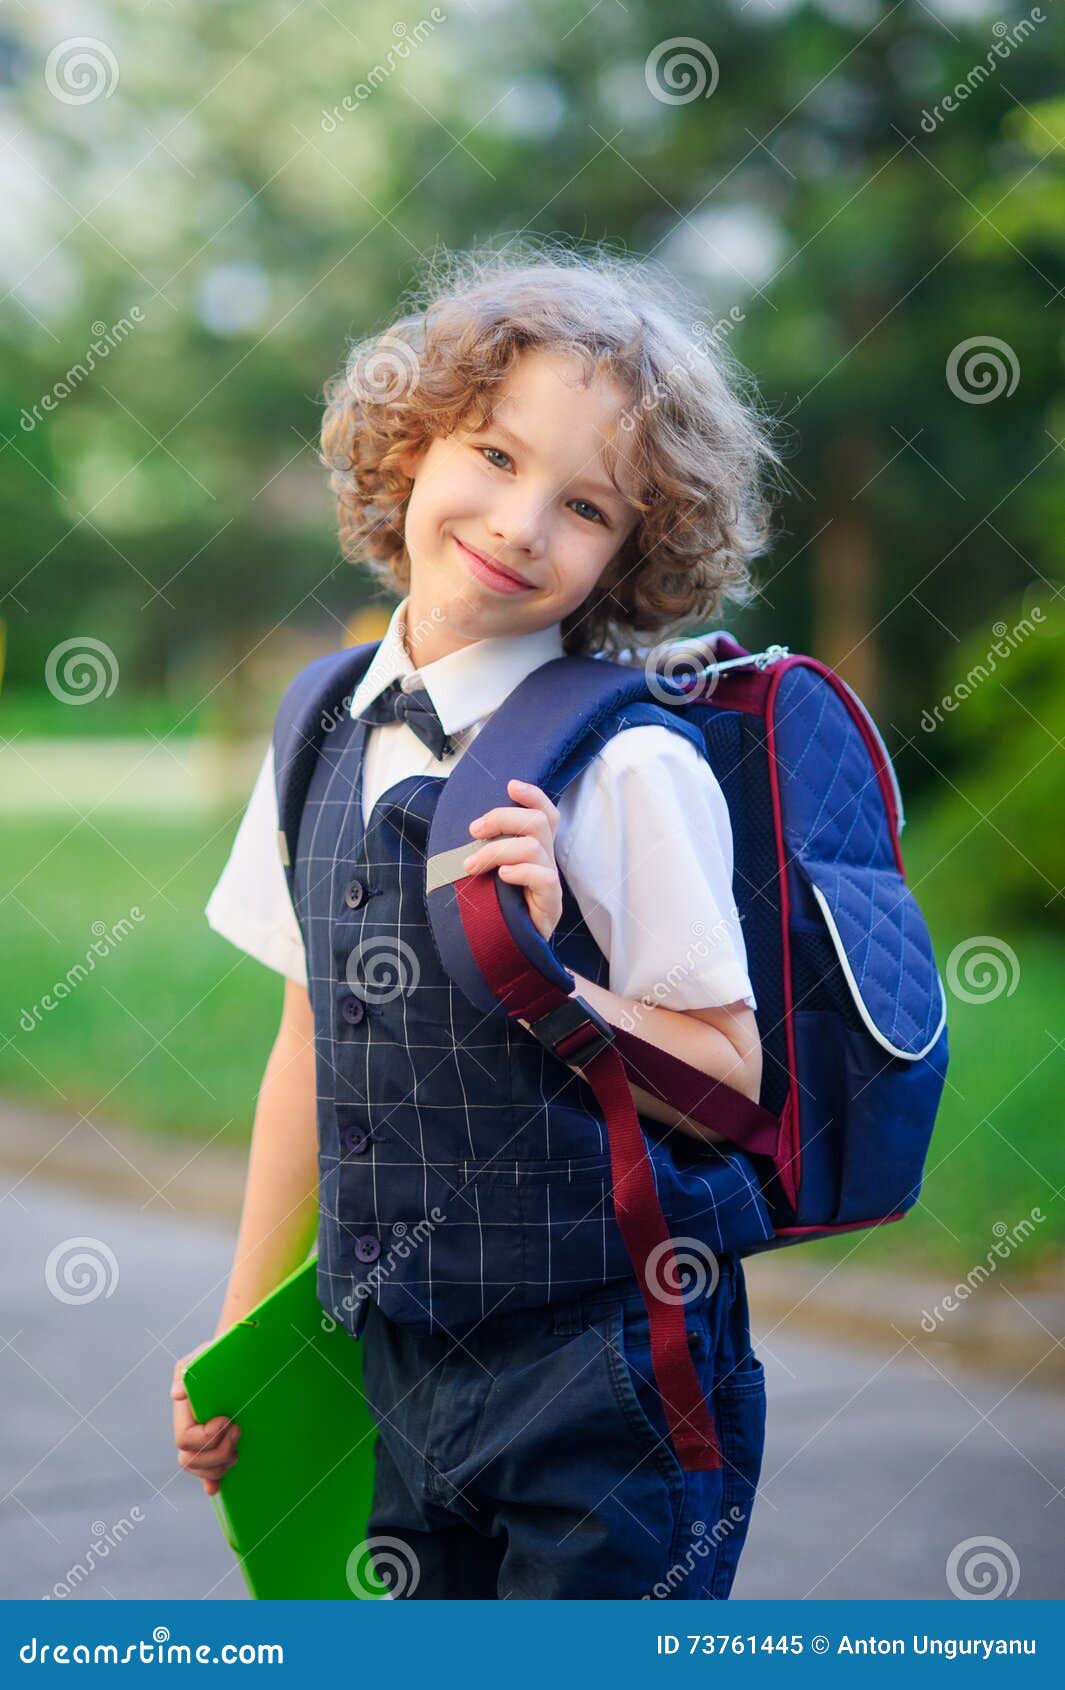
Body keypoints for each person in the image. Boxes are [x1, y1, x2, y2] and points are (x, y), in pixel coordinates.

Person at [171, 240, 783, 1599]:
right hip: (390, 1366)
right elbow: (307, 1048)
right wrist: (242, 1344)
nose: (520, 524)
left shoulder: (625, 767)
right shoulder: (318, 727)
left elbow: (730, 1079)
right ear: (408, 447)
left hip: (609, 1384)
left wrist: (552, 966)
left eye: (587, 507)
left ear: (634, 554)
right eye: (496, 457)